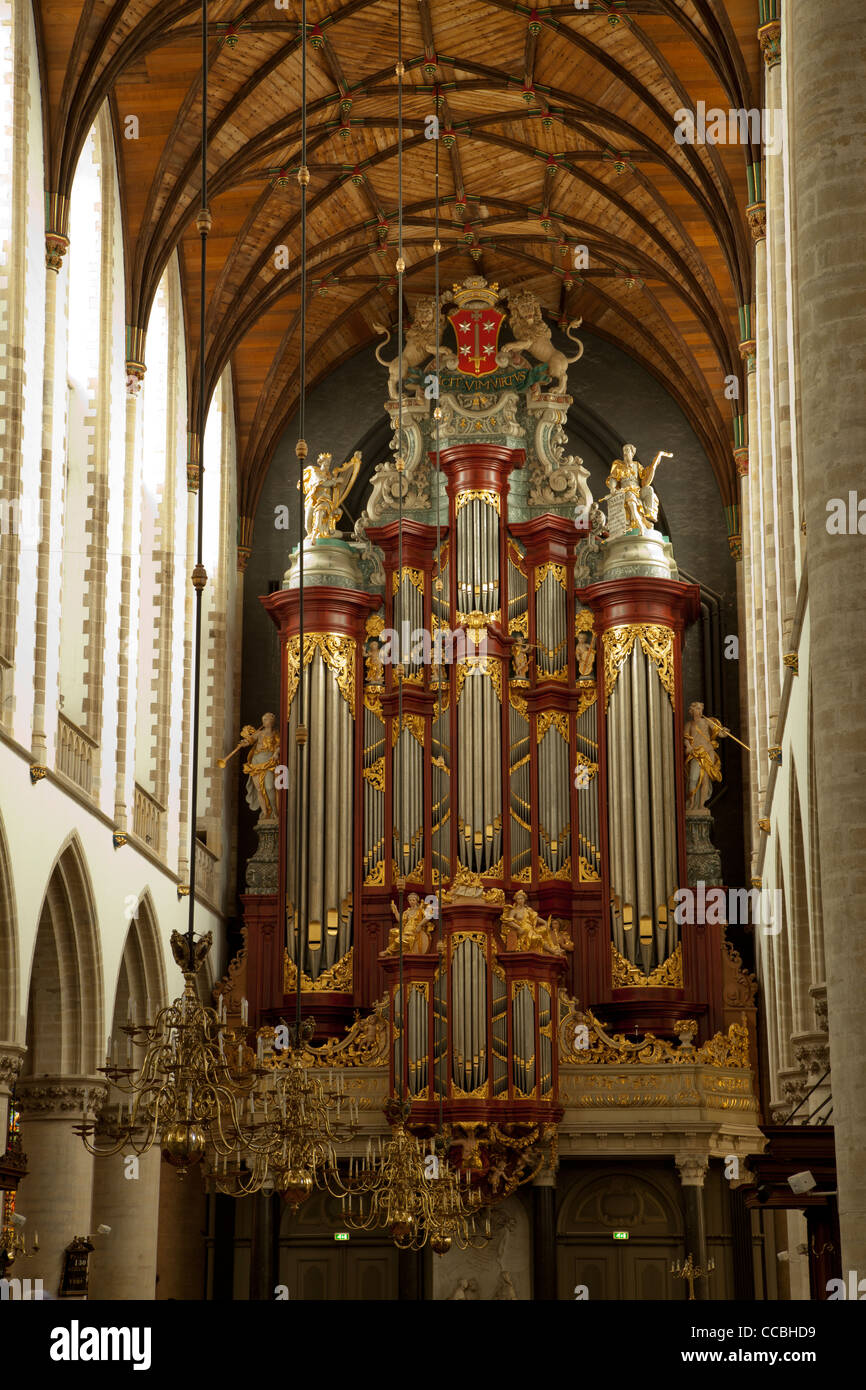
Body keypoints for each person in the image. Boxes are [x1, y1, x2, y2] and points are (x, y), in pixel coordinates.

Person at [683, 700, 728, 810]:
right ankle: (692, 803)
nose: (700, 711)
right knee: (693, 778)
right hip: (696, 753)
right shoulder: (689, 724)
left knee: (705, 780)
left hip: (708, 753)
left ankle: (701, 805)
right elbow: (685, 738)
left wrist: (725, 733)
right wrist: (688, 746)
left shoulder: (707, 722)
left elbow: (719, 732)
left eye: (701, 709)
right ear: (692, 710)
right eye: (697, 709)